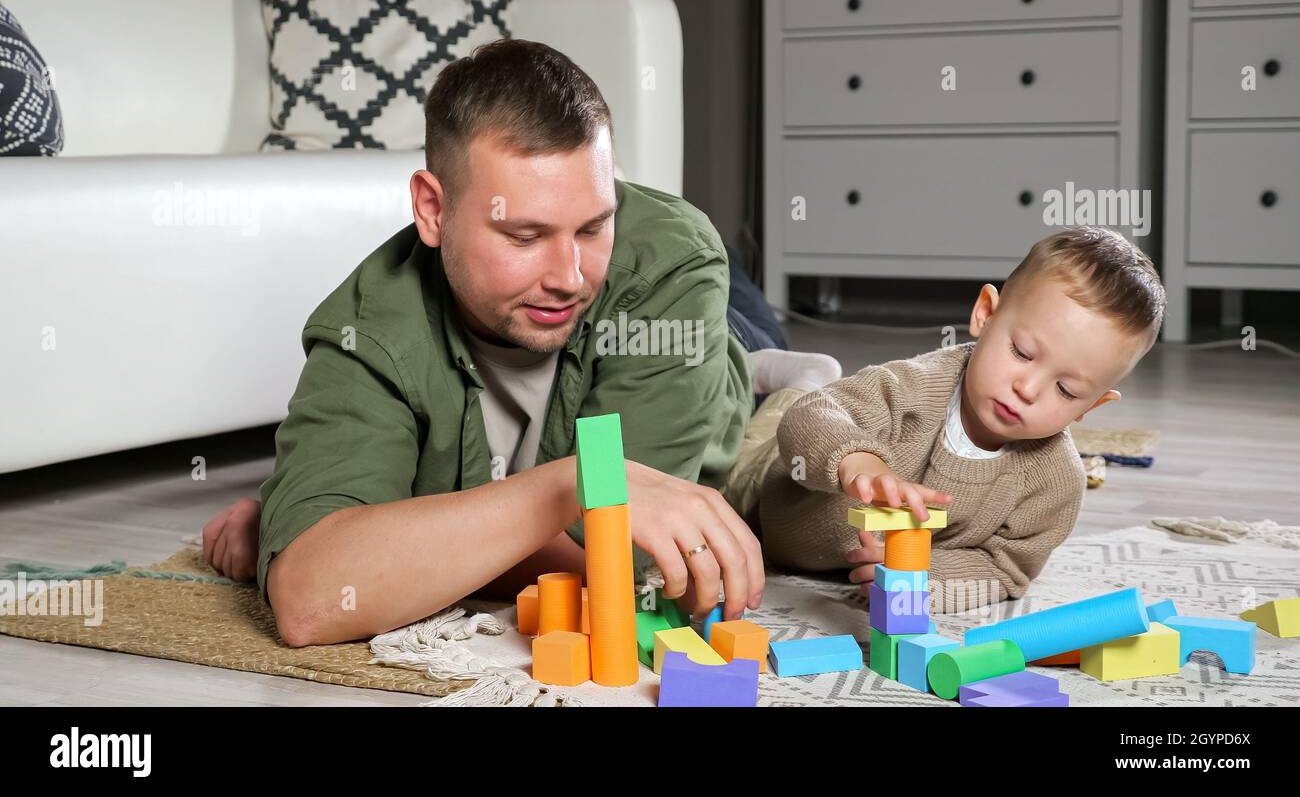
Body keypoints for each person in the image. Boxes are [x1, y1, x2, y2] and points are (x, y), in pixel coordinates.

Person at [202, 39, 839, 646]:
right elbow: (311, 601)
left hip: (718, 342)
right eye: (524, 236)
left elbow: (633, 566)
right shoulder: (365, 328)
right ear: (432, 209)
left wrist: (378, 528)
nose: (567, 276)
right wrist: (570, 484)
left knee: (755, 359)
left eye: (593, 225)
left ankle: (771, 370)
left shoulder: (668, 265)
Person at [753, 227, 1167, 612]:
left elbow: (1005, 568)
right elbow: (809, 418)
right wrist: (857, 460)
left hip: (821, 555)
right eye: (1022, 353)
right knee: (742, 420)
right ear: (985, 315)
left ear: (1089, 407)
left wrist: (923, 577)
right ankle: (789, 371)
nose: (1028, 389)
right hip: (757, 484)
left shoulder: (1054, 484)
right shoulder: (911, 388)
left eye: (1066, 391)